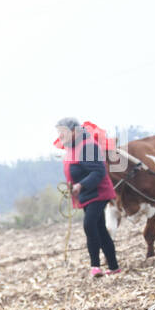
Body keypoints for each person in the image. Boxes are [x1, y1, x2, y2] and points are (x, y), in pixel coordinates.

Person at [56, 117, 121, 277]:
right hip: (86, 195)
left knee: (89, 225)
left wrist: (80, 185)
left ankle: (95, 267)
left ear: (73, 131)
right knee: (100, 229)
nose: (60, 136)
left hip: (98, 192)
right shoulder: (71, 148)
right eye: (58, 132)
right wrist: (74, 186)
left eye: (62, 132)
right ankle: (113, 267)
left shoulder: (88, 146)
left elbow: (99, 172)